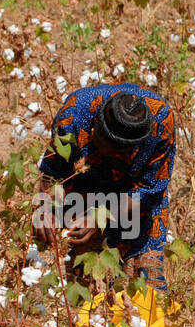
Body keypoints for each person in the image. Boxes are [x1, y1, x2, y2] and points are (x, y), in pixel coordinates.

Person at [34, 84, 176, 290]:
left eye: (119, 152)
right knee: (71, 276)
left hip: (132, 200)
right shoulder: (74, 113)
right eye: (102, 146)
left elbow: (148, 188)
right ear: (94, 125)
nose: (109, 155)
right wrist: (45, 208)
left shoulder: (162, 122)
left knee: (145, 285)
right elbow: (53, 170)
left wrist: (99, 218)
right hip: (82, 186)